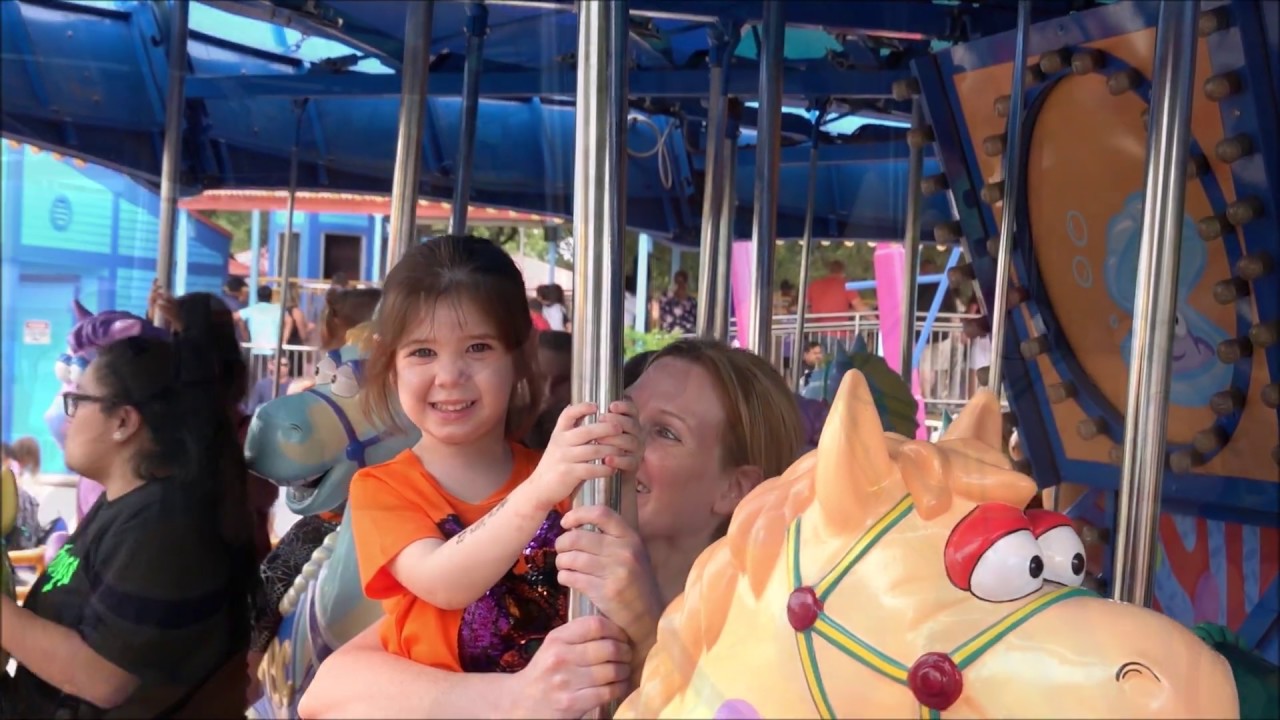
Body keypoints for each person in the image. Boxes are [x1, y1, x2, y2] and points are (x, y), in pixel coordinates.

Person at [300, 338, 805, 719]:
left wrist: (647, 626)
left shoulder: (758, 621)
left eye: (666, 433)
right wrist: (515, 697)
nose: (618, 442)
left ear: (734, 489)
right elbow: (328, 689)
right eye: (623, 414)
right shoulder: (542, 559)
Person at [347, 235, 641, 677]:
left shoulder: (564, 480)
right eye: (422, 352)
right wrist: (540, 490)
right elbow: (444, 583)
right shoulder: (383, 489)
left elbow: (617, 578)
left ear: (518, 359)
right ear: (392, 367)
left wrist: (622, 477)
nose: (450, 376)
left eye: (478, 348)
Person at [0, 335, 260, 718]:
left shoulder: (164, 528)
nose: (66, 416)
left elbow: (102, 679)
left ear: (123, 421)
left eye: (78, 401)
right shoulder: (127, 506)